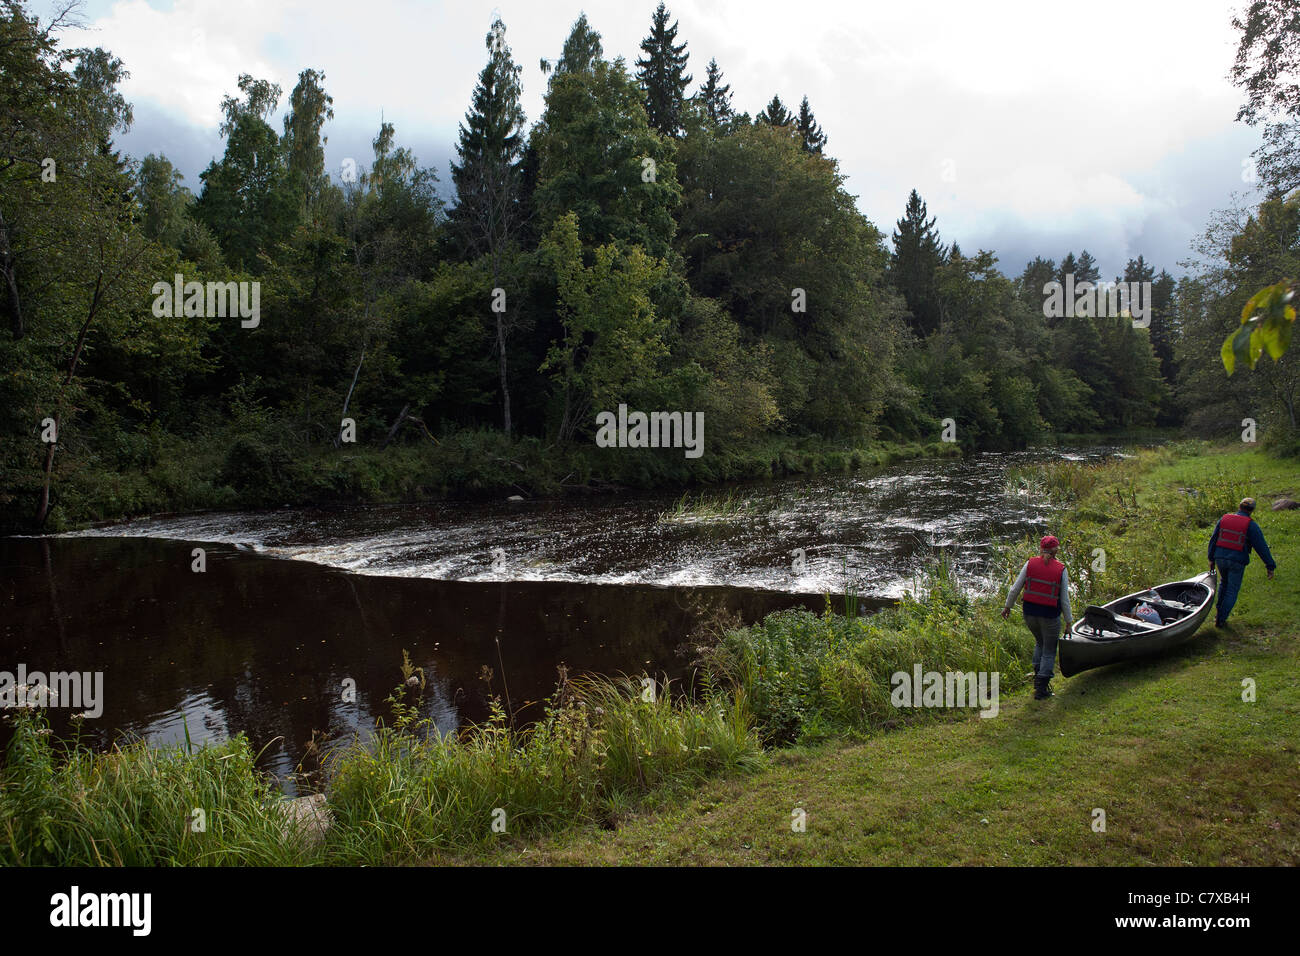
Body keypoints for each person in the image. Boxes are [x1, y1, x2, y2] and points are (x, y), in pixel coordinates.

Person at [1002, 535, 1074, 699]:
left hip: (1029, 614)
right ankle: (1041, 690)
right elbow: (1064, 599)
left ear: (1041, 549)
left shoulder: (1030, 564)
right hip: (1049, 616)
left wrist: (1007, 607)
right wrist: (1069, 621)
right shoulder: (1061, 569)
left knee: (1039, 643)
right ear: (1056, 550)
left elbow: (1015, 589)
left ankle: (1038, 678)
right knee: (1049, 650)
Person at [1208, 497, 1277, 627]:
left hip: (1220, 558)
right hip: (1237, 560)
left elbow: (1214, 539)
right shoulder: (1251, 525)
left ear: (1239, 507)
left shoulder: (1224, 519)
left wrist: (1211, 559)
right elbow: (1261, 546)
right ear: (1252, 511)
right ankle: (1221, 619)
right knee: (1232, 590)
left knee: (1224, 583)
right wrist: (1270, 565)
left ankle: (1218, 613)